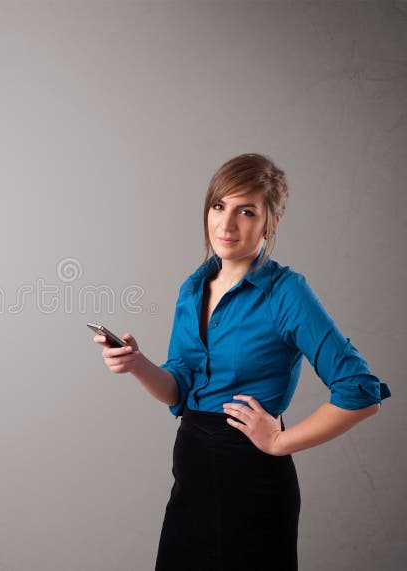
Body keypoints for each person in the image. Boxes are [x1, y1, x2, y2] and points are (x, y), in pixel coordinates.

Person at [92, 153, 391, 571]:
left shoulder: (287, 293)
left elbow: (361, 392)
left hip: (253, 480)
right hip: (191, 472)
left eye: (246, 211)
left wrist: (279, 441)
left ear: (271, 222)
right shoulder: (193, 287)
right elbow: (179, 386)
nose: (227, 224)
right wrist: (138, 364)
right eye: (219, 206)